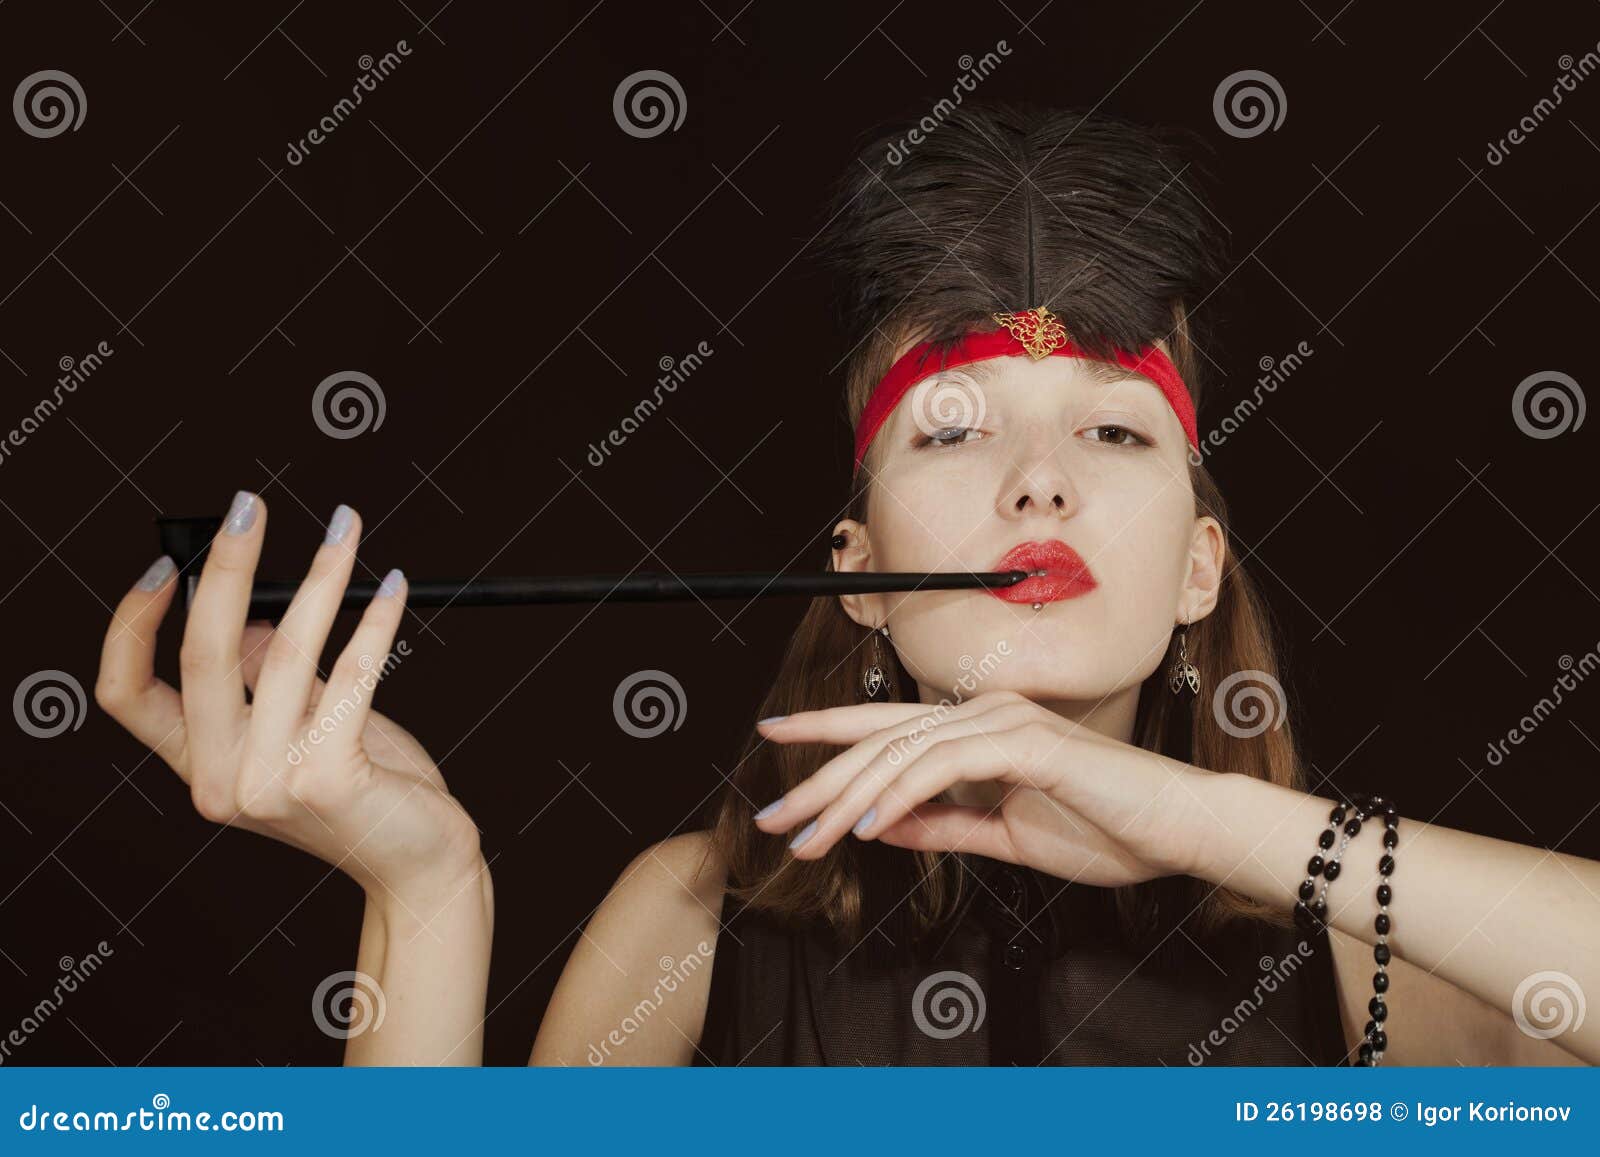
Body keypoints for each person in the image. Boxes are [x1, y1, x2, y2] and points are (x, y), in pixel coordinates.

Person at [94, 103, 1597, 1067]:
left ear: (1199, 567)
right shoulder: (692, 920)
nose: (1038, 479)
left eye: (1116, 429)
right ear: (862, 574)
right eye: (953, 428)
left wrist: (1197, 813)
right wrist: (421, 894)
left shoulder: (1374, 952)